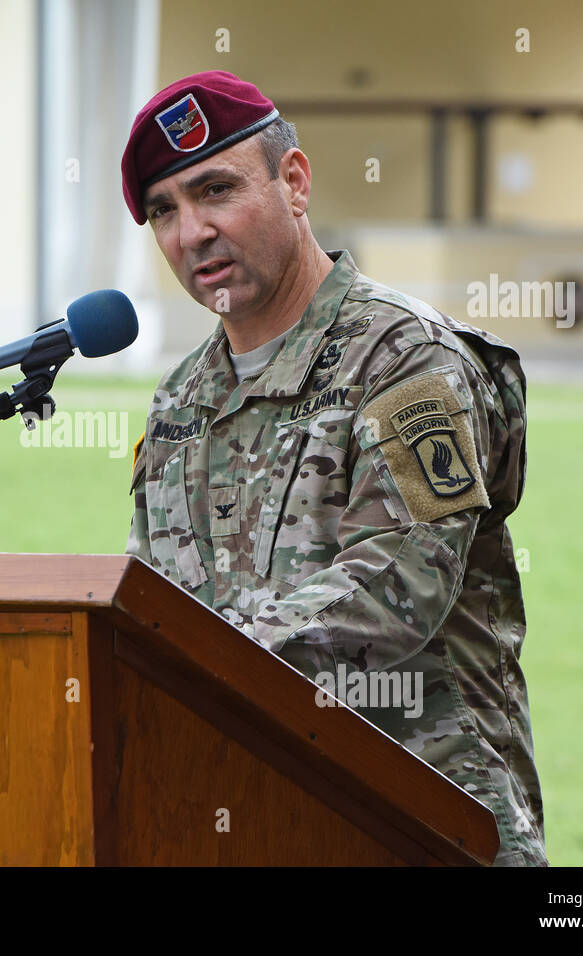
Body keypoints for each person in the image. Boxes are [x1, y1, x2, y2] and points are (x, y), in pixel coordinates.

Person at [121, 71, 545, 866]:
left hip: (420, 813)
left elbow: (400, 579)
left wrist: (201, 666)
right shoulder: (182, 398)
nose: (193, 232)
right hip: (253, 816)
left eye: (216, 190)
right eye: (164, 211)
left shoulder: (405, 359)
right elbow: (155, 602)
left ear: (295, 181)